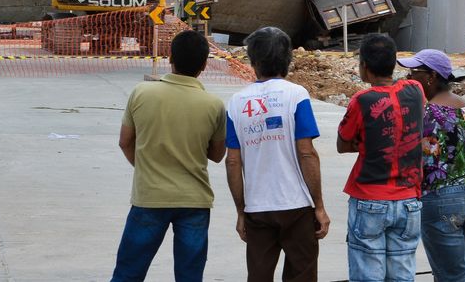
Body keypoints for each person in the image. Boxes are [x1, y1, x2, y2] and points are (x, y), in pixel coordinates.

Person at [110, 30, 226, 282]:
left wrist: (145, 167)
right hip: (194, 202)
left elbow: (125, 141)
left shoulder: (141, 93)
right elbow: (217, 155)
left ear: (169, 57)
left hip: (149, 197)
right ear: (205, 65)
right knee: (189, 276)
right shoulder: (214, 105)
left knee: (128, 273)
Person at [225, 27, 330, 282]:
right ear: (288, 60)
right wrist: (319, 206)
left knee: (258, 276)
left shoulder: (236, 103)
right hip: (296, 206)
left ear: (254, 62)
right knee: (302, 275)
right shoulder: (296, 95)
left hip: (257, 209)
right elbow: (307, 154)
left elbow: (233, 161)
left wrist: (241, 212)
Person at [337, 33, 425, 282]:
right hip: (409, 200)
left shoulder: (362, 101)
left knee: (368, 273)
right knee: (402, 275)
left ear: (364, 67)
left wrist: (369, 141)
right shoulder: (416, 90)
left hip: (370, 199)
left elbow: (343, 144)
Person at [399, 50, 465, 282]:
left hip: (441, 199)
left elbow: (420, 161)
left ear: (431, 76)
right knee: (456, 272)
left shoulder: (427, 113)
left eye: (414, 72)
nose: (408, 78)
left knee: (451, 276)